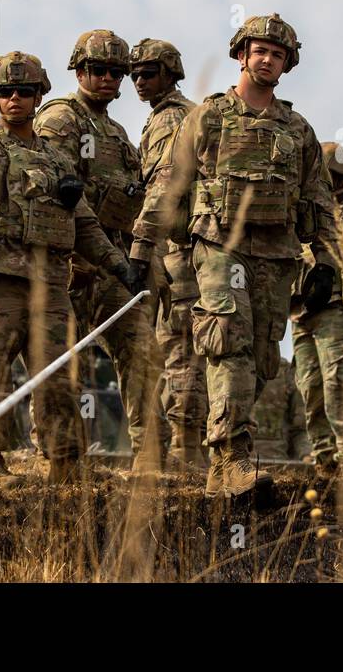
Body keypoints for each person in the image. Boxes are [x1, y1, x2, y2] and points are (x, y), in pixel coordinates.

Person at [129, 13, 338, 498]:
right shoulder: (209, 116)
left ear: (287, 64)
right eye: (259, 50)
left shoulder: (298, 130)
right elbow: (169, 183)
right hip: (220, 246)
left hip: (278, 254)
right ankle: (233, 455)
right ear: (242, 55)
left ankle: (223, 470)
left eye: (278, 54)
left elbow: (317, 200)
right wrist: (143, 246)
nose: (267, 59)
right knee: (228, 339)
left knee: (263, 357)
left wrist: (324, 261)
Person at [0, 51, 137, 487]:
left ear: (40, 96)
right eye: (5, 92)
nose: (15, 99)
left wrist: (119, 264)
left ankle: (64, 464)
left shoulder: (58, 162)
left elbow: (86, 223)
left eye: (25, 91)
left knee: (60, 379)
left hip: (51, 286)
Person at [35, 30, 167, 471]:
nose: (108, 78)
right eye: (98, 70)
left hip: (112, 260)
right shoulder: (60, 118)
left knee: (141, 350)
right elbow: (57, 185)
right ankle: (63, 463)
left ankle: (150, 457)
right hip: (68, 259)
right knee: (63, 364)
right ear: (79, 70)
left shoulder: (117, 132)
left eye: (117, 72)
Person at [129, 37, 207, 468]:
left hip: (183, 249)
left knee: (180, 347)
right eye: (135, 74)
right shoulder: (173, 114)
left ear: (170, 73)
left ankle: (186, 449)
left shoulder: (171, 117)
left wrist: (140, 247)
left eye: (149, 73)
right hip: (183, 247)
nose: (140, 81)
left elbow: (165, 184)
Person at [289, 142, 343, 476]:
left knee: (339, 388)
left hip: (339, 312)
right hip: (304, 315)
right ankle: (325, 462)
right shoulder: (311, 215)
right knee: (310, 388)